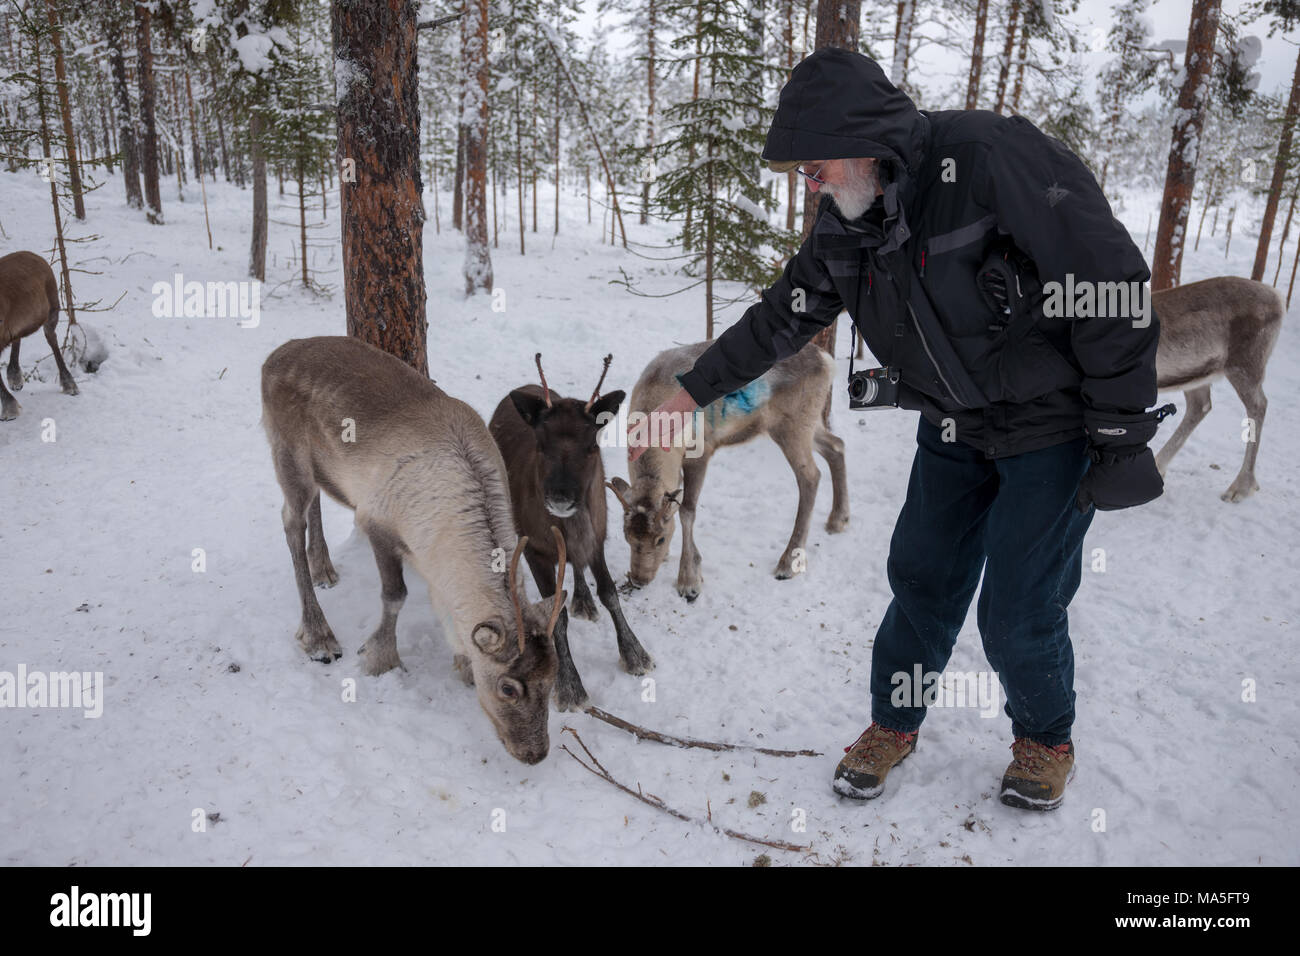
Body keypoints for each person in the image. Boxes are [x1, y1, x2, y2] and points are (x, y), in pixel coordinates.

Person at [627, 47, 1174, 811]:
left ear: (862, 140)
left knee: (1018, 603)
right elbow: (783, 317)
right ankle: (893, 722)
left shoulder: (989, 159)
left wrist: (1120, 429)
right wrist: (694, 390)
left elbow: (1108, 281)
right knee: (921, 577)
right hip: (952, 422)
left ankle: (1045, 739)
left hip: (1050, 421)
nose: (808, 183)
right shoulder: (845, 223)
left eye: (813, 166)